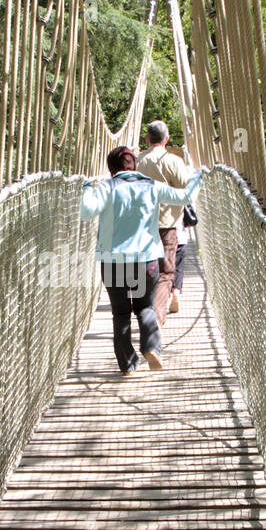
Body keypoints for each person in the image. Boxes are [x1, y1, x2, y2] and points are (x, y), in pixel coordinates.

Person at [80, 144, 202, 376]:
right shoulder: (152, 186)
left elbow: (87, 211)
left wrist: (87, 187)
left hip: (113, 262)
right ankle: (152, 347)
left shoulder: (107, 187)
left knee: (121, 313)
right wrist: (196, 175)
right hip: (146, 260)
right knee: (145, 307)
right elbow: (185, 196)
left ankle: (127, 365)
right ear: (134, 166)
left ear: (111, 169)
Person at [136, 121, 193, 325]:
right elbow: (188, 190)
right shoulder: (174, 162)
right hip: (167, 225)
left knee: (144, 270)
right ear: (166, 139)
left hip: (140, 226)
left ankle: (144, 313)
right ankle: (156, 318)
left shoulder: (136, 161)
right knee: (165, 273)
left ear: (147, 139)